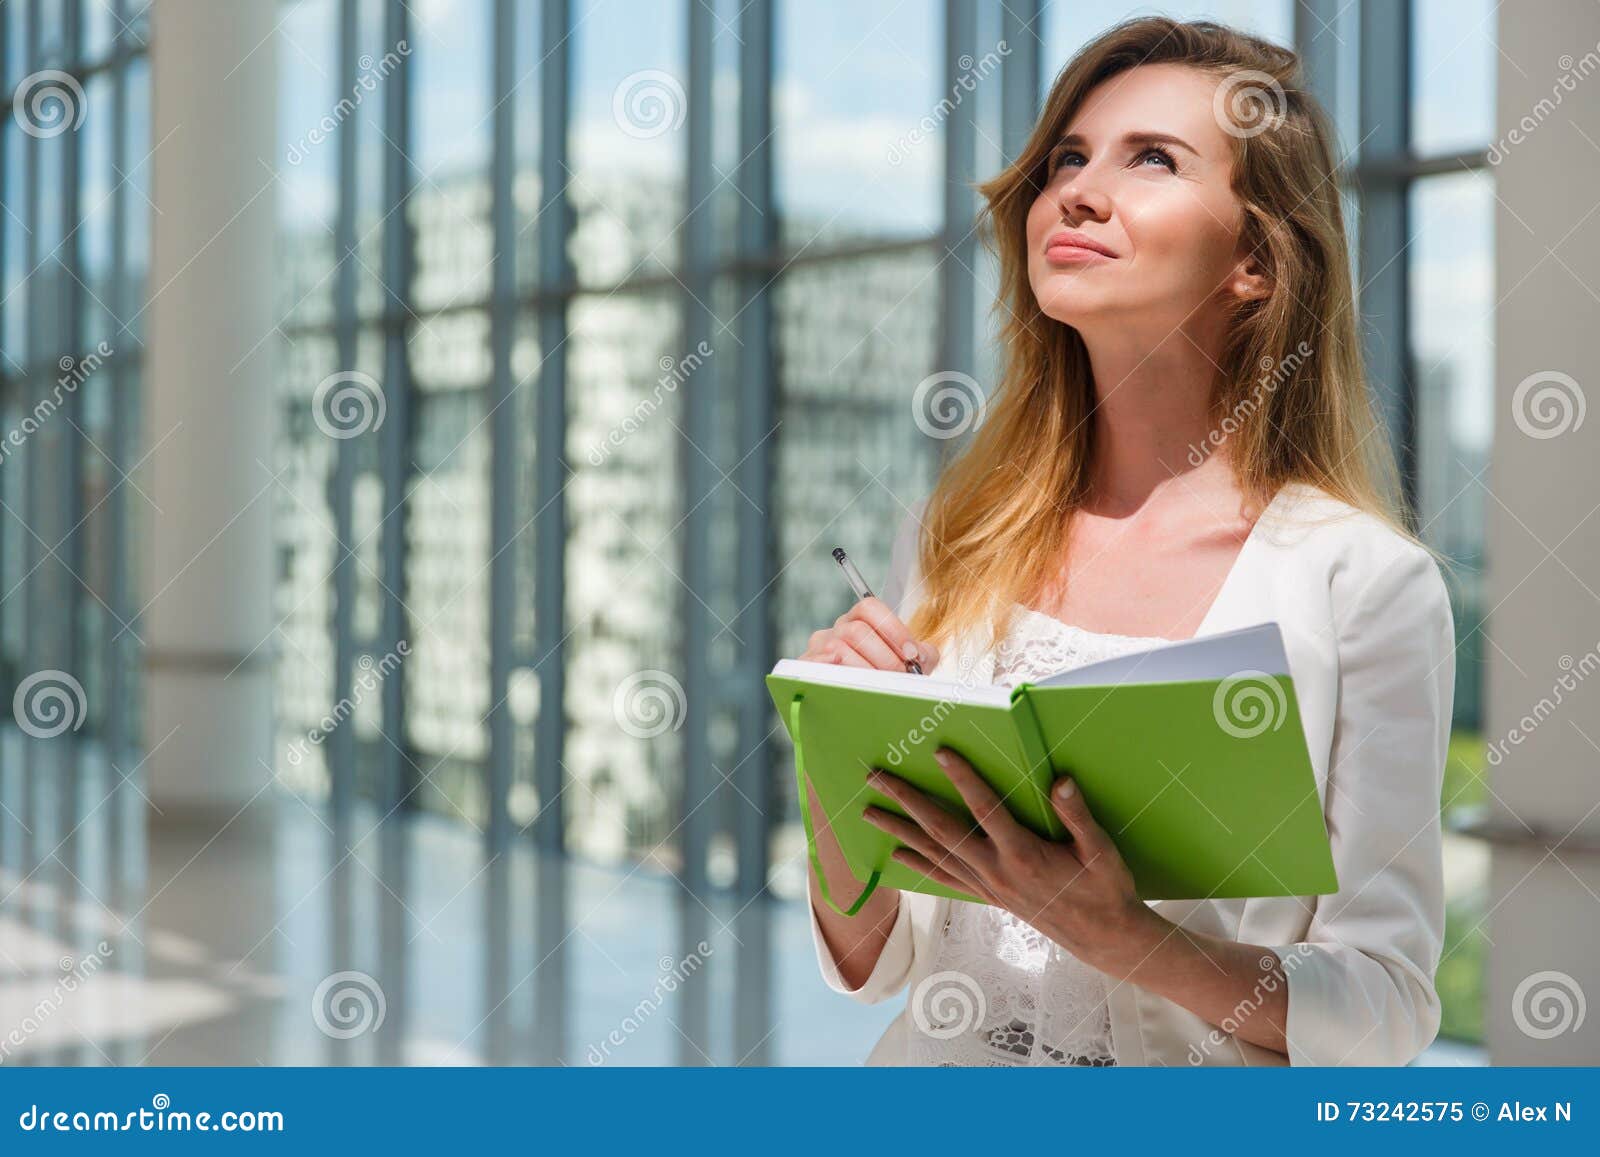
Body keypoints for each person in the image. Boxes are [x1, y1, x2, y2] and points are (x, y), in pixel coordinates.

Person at [797, 16, 1455, 1066]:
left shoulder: (1363, 583)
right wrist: (837, 769)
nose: (1079, 191)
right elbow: (879, 961)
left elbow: (1384, 1007)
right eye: (1068, 157)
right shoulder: (958, 532)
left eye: (1151, 159)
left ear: (1255, 259)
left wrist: (1124, 937)